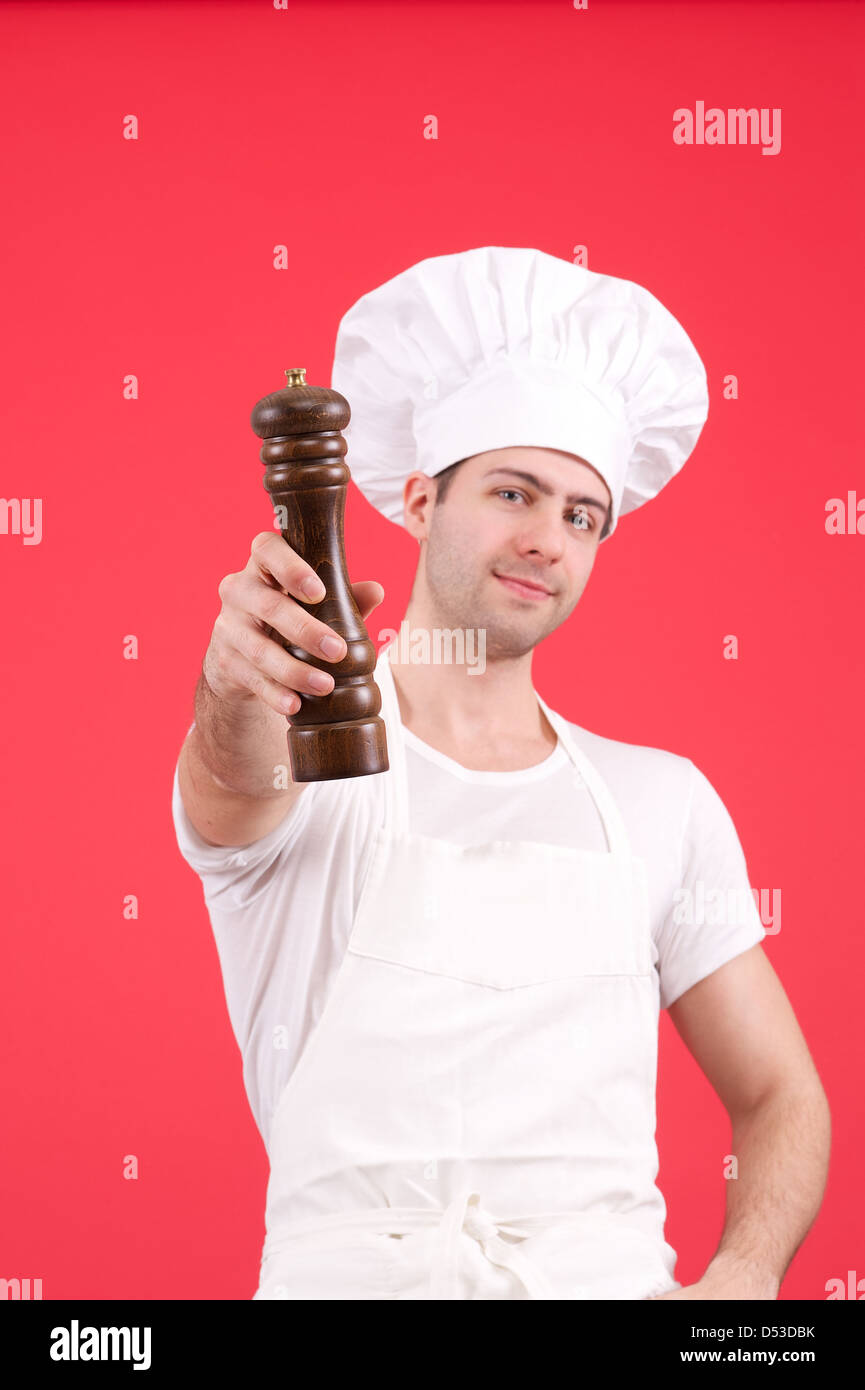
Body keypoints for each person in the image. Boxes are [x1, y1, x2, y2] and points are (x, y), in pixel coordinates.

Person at [172, 247, 830, 1300]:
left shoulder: (661, 803)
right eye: (514, 491)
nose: (546, 541)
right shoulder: (309, 756)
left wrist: (742, 1281)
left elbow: (780, 1091)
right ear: (421, 498)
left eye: (581, 514)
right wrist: (235, 678)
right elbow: (229, 774)